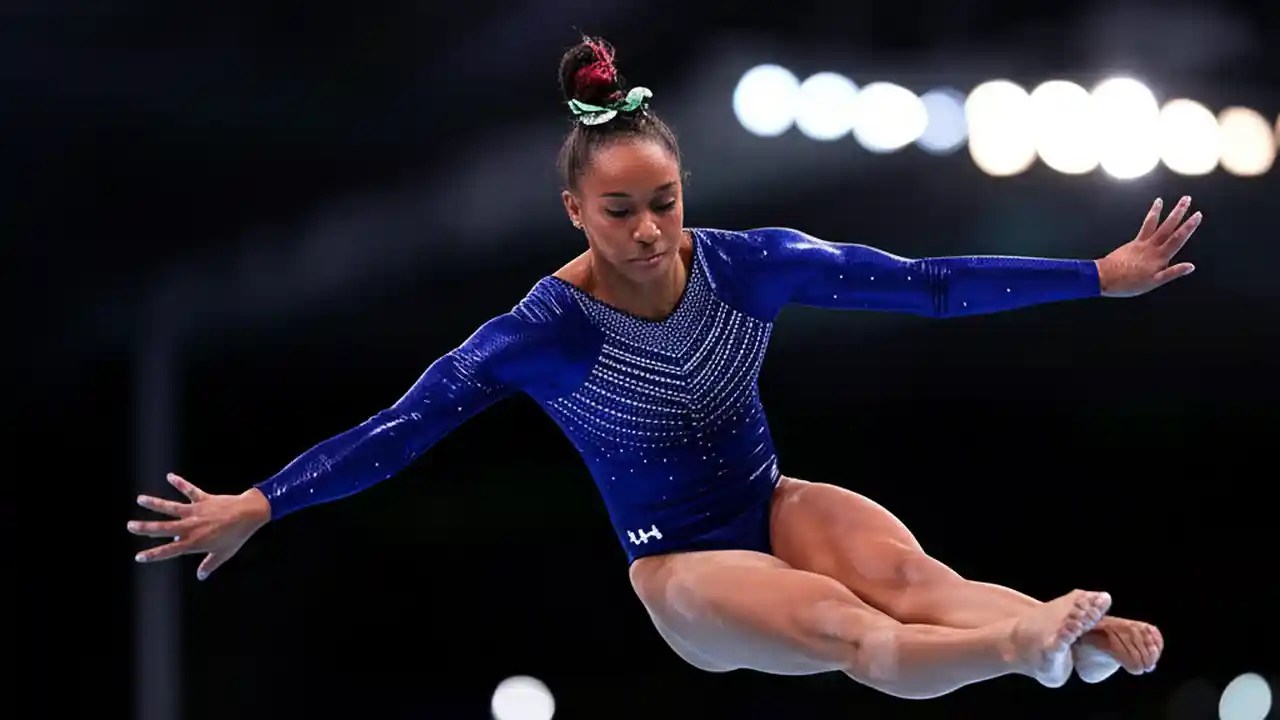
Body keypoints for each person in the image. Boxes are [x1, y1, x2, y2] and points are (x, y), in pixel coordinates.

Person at [129, 35, 1193, 699]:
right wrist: (265, 501)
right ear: (575, 211)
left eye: (664, 203)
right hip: (679, 572)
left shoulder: (750, 266)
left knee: (916, 583)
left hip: (767, 501)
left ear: (684, 189)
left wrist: (1096, 274)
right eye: (620, 211)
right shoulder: (542, 331)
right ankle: (1025, 646)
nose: (648, 231)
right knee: (849, 629)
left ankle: (1070, 641)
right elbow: (401, 427)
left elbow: (925, 283)